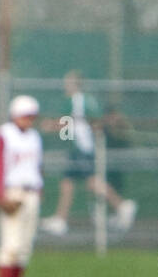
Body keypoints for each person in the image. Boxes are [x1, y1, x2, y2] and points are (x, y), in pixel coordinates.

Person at [41, 71, 136, 236]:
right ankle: (61, 219)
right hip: (78, 149)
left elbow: (68, 122)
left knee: (92, 182)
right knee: (67, 183)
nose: (65, 86)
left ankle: (122, 205)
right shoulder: (86, 101)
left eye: (68, 83)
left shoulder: (76, 100)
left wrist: (51, 125)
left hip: (82, 149)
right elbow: (77, 124)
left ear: (75, 85)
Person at [0, 94, 43, 277]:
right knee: (10, 246)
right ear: (15, 115)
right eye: (25, 115)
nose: (29, 120)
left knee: (24, 247)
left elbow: (37, 166)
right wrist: (0, 194)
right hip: (13, 191)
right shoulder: (5, 134)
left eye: (31, 116)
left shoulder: (34, 137)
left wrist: (40, 191)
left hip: (31, 191)